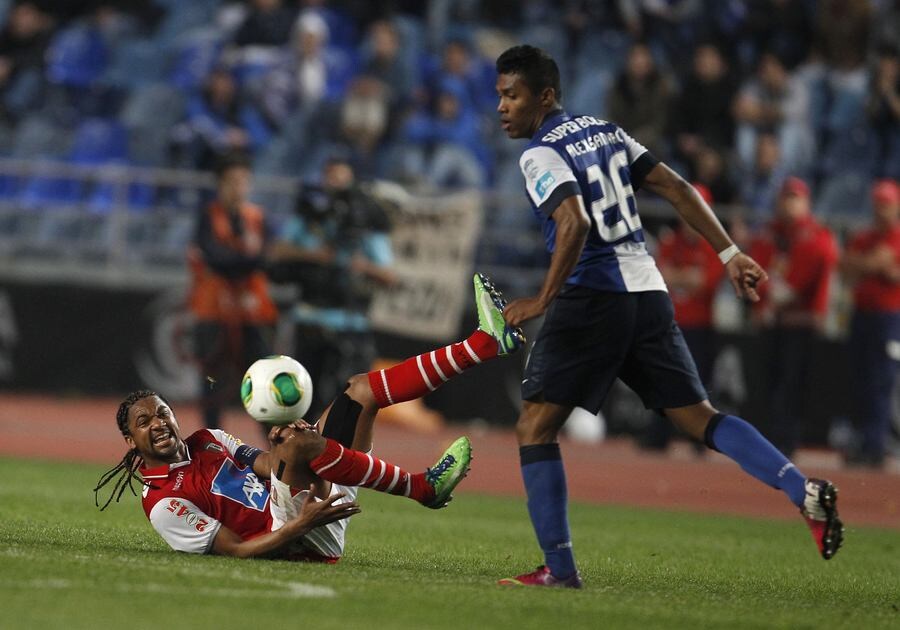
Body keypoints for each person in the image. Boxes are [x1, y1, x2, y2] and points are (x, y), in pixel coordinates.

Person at [492, 45, 843, 588]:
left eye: (511, 95)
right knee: (698, 418)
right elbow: (677, 188)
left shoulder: (539, 154)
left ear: (544, 96)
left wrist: (541, 301)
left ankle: (559, 570)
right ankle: (805, 491)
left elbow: (574, 222)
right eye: (499, 96)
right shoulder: (607, 130)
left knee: (535, 425)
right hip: (649, 291)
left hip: (594, 294)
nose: (502, 107)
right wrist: (730, 253)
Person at [94, 273, 524, 561]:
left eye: (162, 413)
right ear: (131, 440)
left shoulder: (208, 439)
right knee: (299, 445)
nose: (159, 424)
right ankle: (422, 487)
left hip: (307, 498)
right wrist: (297, 522)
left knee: (361, 389)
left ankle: (484, 344)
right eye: (145, 422)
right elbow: (237, 551)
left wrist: (292, 441)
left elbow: (264, 463)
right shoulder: (164, 504)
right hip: (296, 533)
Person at [268, 154, 397, 419]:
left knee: (348, 404)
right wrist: (316, 256)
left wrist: (362, 266)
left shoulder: (364, 219)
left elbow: (388, 275)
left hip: (351, 324)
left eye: (341, 176)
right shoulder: (309, 215)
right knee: (302, 396)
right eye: (331, 176)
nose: (336, 183)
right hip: (310, 318)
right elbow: (277, 251)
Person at [748, 177, 839, 457]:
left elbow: (818, 265)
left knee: (793, 383)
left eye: (795, 198)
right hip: (772, 320)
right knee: (768, 381)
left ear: (805, 202)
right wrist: (766, 296)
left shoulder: (815, 234)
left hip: (799, 322)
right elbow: (755, 266)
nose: (789, 204)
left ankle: (787, 439)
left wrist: (783, 289)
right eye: (786, 198)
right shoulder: (770, 233)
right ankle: (769, 438)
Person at [188, 152, 277, 430]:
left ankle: (276, 448)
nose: (238, 187)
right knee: (213, 379)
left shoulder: (258, 218)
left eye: (243, 181)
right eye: (232, 181)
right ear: (220, 184)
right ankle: (212, 442)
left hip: (253, 313)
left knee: (263, 382)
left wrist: (234, 262)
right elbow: (214, 257)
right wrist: (249, 262)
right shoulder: (207, 217)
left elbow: (269, 258)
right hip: (214, 311)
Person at [639, 184, 725, 451]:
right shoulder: (670, 242)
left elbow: (706, 282)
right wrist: (686, 278)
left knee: (698, 386)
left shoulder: (712, 246)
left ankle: (699, 440)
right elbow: (658, 274)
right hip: (670, 324)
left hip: (700, 326)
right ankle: (658, 436)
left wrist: (678, 276)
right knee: (661, 383)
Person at [839, 179, 900, 467]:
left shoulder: (895, 237)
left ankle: (875, 445)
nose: (881, 209)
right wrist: (876, 265)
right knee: (859, 379)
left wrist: (868, 265)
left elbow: (858, 266)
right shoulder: (865, 238)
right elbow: (845, 268)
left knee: (881, 381)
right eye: (878, 203)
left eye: (886, 203)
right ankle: (862, 441)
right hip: (862, 314)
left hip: (890, 318)